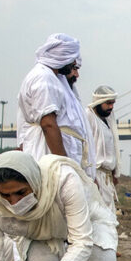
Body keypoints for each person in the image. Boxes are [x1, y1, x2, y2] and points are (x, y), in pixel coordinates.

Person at [16, 34, 95, 177]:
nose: (73, 65)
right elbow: (48, 124)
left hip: (62, 154)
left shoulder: (56, 78)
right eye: (72, 60)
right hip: (47, 153)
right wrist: (64, 165)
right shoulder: (43, 78)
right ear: (63, 57)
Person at [84, 85, 122, 215]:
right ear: (98, 102)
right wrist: (90, 176)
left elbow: (114, 146)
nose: (111, 107)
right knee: (97, 216)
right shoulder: (88, 116)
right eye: (108, 103)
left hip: (106, 177)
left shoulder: (108, 118)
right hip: (94, 175)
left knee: (108, 217)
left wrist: (115, 171)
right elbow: (84, 147)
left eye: (113, 103)